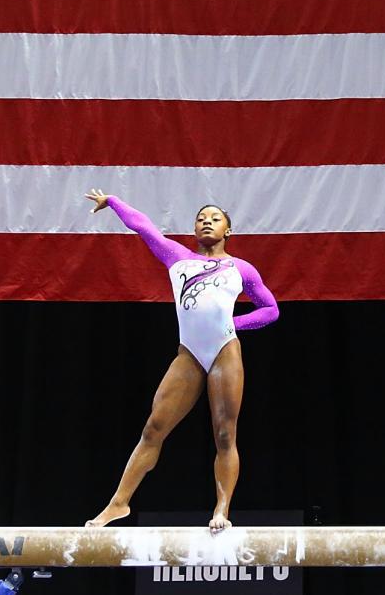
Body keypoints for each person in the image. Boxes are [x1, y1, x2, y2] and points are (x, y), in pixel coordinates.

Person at [82, 191, 279, 534]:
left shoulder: (241, 268)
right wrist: (113, 201)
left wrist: (237, 324)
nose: (207, 221)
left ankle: (221, 508)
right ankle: (119, 503)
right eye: (202, 217)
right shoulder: (178, 258)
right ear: (193, 228)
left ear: (228, 231)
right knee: (153, 429)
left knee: (224, 434)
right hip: (188, 353)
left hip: (224, 351)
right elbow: (144, 228)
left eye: (215, 218)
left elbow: (271, 309)